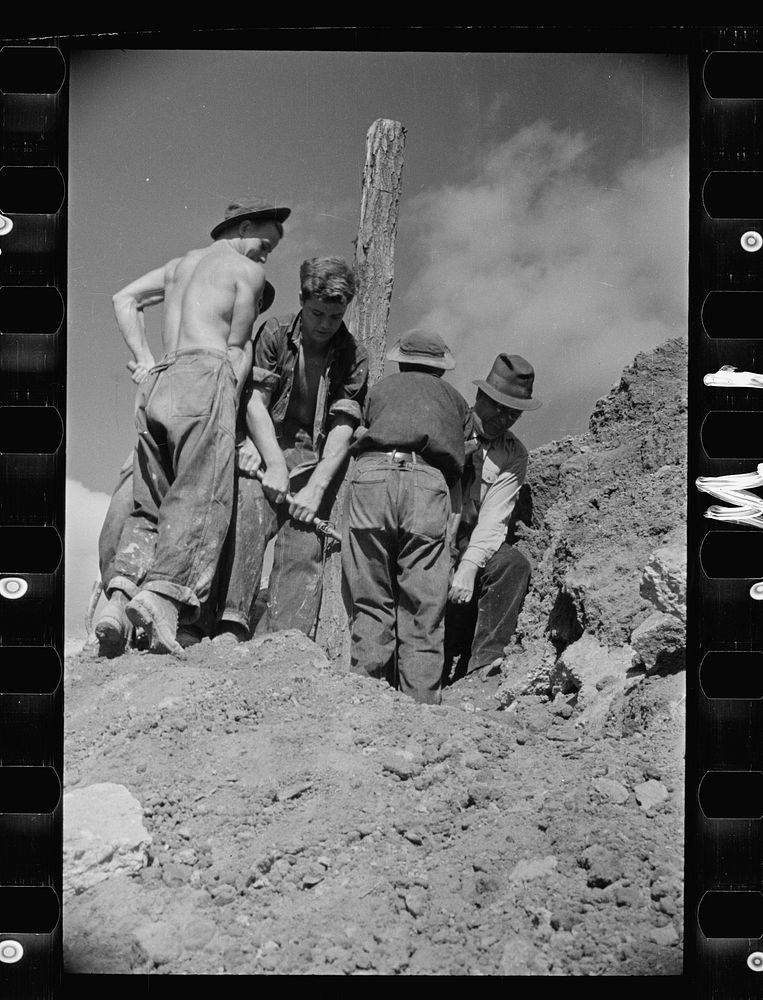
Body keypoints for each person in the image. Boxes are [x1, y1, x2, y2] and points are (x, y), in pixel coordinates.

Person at [93, 197, 289, 656]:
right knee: (201, 498)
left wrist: (145, 360)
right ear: (241, 227)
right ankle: (163, 598)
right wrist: (228, 401)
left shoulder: (178, 266)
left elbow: (124, 299)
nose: (264, 256)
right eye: (264, 244)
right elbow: (237, 350)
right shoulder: (247, 273)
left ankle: (118, 601)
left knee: (149, 502)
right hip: (207, 375)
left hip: (159, 381)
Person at [213, 256, 368, 641]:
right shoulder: (275, 333)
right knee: (248, 506)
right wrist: (273, 463)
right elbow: (254, 402)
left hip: (315, 461)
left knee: (304, 542)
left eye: (335, 316)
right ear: (302, 298)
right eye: (317, 313)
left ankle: (282, 643)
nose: (325, 325)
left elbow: (342, 428)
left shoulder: (353, 354)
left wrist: (316, 488)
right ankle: (231, 623)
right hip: (270, 449)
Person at [342, 329, 473, 705]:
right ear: (441, 370)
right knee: (422, 608)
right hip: (427, 483)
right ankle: (421, 712)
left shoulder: (378, 391)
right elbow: (462, 463)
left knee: (370, 599)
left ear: (401, 360)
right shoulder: (456, 401)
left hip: (371, 478)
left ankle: (365, 703)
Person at [444, 353, 541, 682]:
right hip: (432, 531)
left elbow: (494, 518)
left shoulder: (514, 454)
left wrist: (469, 565)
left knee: (512, 564)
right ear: (480, 396)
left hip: (472, 539)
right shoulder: (448, 425)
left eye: (513, 413)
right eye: (498, 406)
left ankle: (484, 667)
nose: (504, 418)